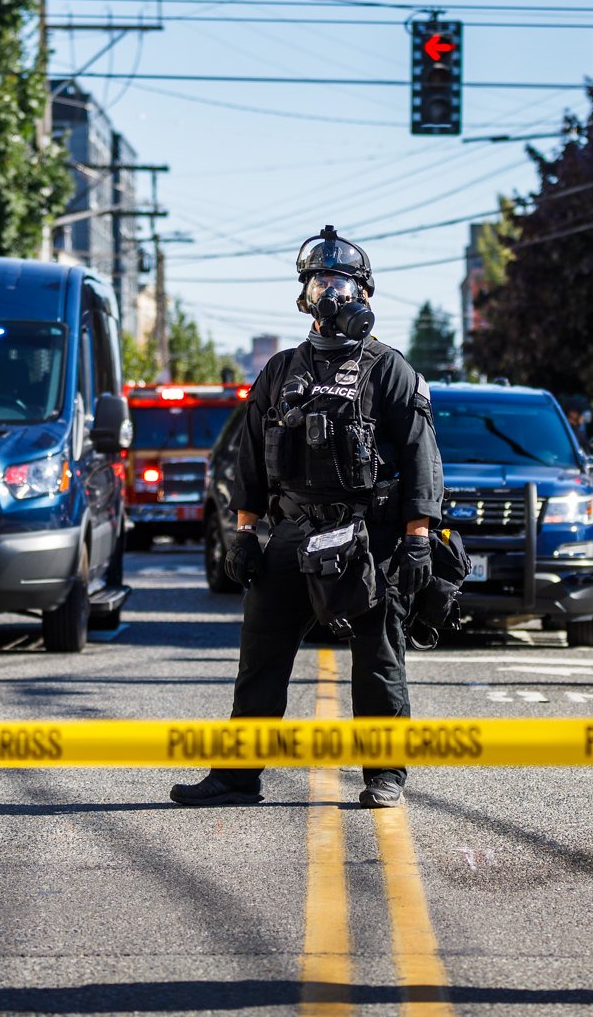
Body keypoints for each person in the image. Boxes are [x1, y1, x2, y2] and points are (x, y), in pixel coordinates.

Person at [171, 226, 445, 810]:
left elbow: (422, 451)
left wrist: (418, 536)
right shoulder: (281, 370)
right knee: (260, 655)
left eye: (341, 281)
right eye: (320, 281)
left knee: (379, 657)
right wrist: (244, 532)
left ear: (365, 293)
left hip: (366, 534)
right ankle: (238, 776)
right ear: (304, 295)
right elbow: (250, 454)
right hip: (293, 532)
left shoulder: (388, 368)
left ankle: (384, 774)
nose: (330, 292)